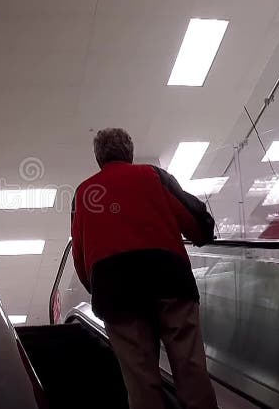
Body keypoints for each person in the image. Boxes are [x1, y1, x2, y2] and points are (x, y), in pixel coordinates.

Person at [71, 128, 218, 409]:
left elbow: (79, 256)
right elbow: (195, 219)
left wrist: (97, 287)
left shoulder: (83, 193)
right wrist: (204, 234)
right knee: (190, 368)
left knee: (140, 381)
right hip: (169, 280)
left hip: (115, 291)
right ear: (130, 152)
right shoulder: (152, 175)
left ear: (98, 158)